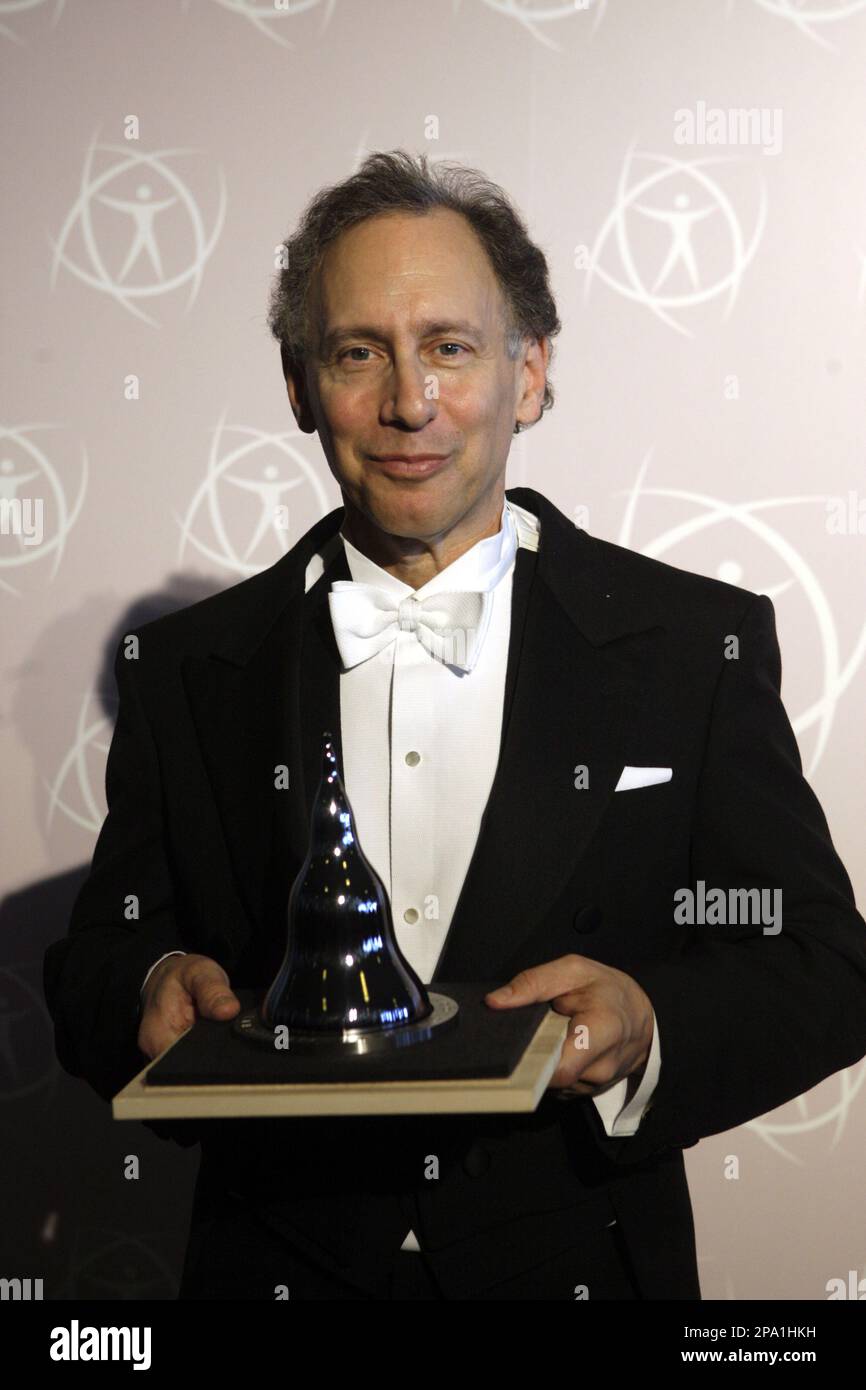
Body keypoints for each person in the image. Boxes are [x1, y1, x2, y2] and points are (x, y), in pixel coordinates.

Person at [44, 150, 866, 1301]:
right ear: (296, 386)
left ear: (529, 374)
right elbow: (97, 959)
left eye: (448, 347)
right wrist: (150, 984)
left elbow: (819, 964)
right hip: (275, 1272)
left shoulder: (691, 646)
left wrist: (649, 1020)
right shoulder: (190, 669)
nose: (406, 404)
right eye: (356, 352)